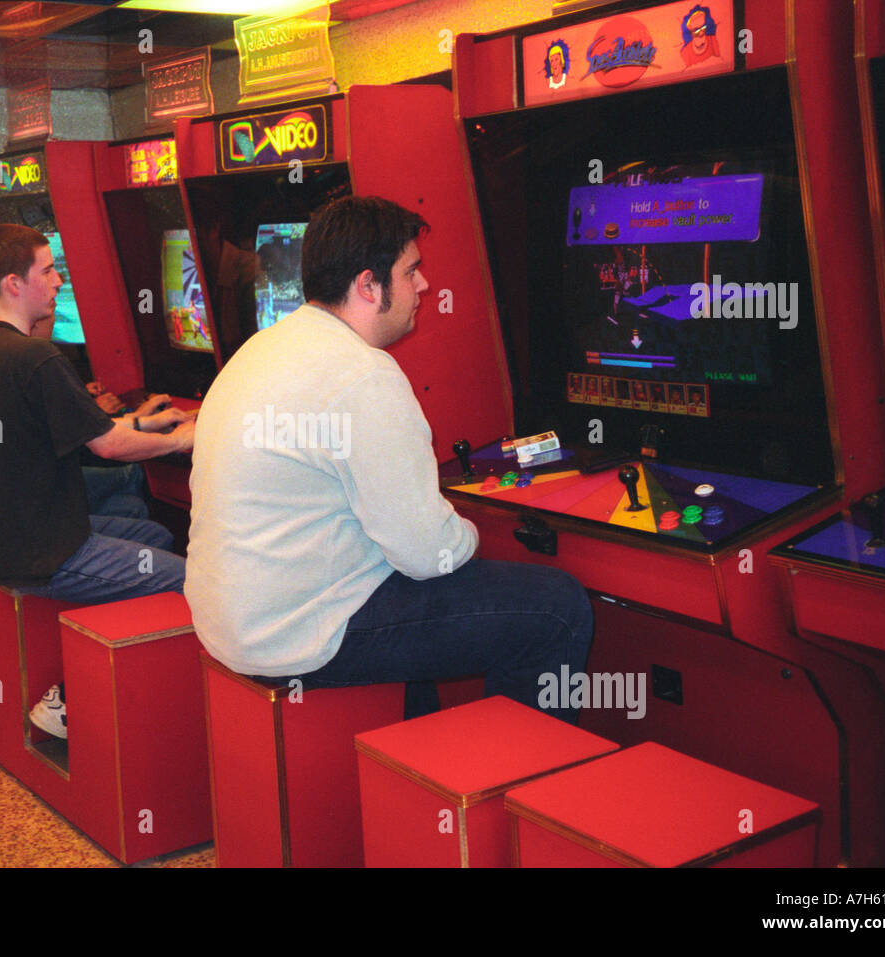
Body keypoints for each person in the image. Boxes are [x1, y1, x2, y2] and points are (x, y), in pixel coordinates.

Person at [185, 196, 593, 722]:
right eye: (411, 270)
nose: (424, 286)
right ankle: (515, 790)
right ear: (368, 285)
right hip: (297, 634)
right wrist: (469, 531)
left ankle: (423, 773)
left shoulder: (263, 347)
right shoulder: (361, 374)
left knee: (415, 608)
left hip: (233, 619)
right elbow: (429, 555)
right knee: (556, 607)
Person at [0, 223, 194, 737]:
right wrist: (185, 438)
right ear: (14, 283)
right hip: (47, 553)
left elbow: (91, 428)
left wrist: (149, 423)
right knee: (194, 580)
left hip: (12, 541)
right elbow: (107, 445)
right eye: (48, 270)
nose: (58, 282)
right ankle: (76, 701)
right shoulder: (33, 356)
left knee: (157, 536)